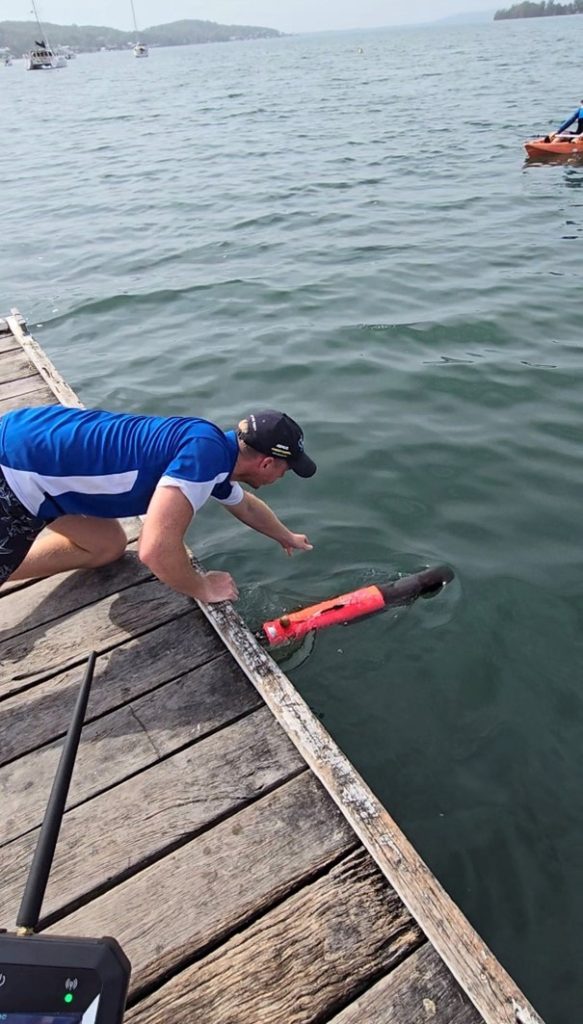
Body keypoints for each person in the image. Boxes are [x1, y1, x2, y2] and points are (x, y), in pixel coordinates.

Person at [0, 405, 316, 603]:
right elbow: (154, 550)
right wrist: (202, 586)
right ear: (266, 463)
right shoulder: (204, 460)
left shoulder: (214, 450)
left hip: (32, 444)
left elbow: (245, 505)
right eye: (286, 470)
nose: (282, 477)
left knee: (106, 545)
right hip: (14, 473)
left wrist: (285, 536)